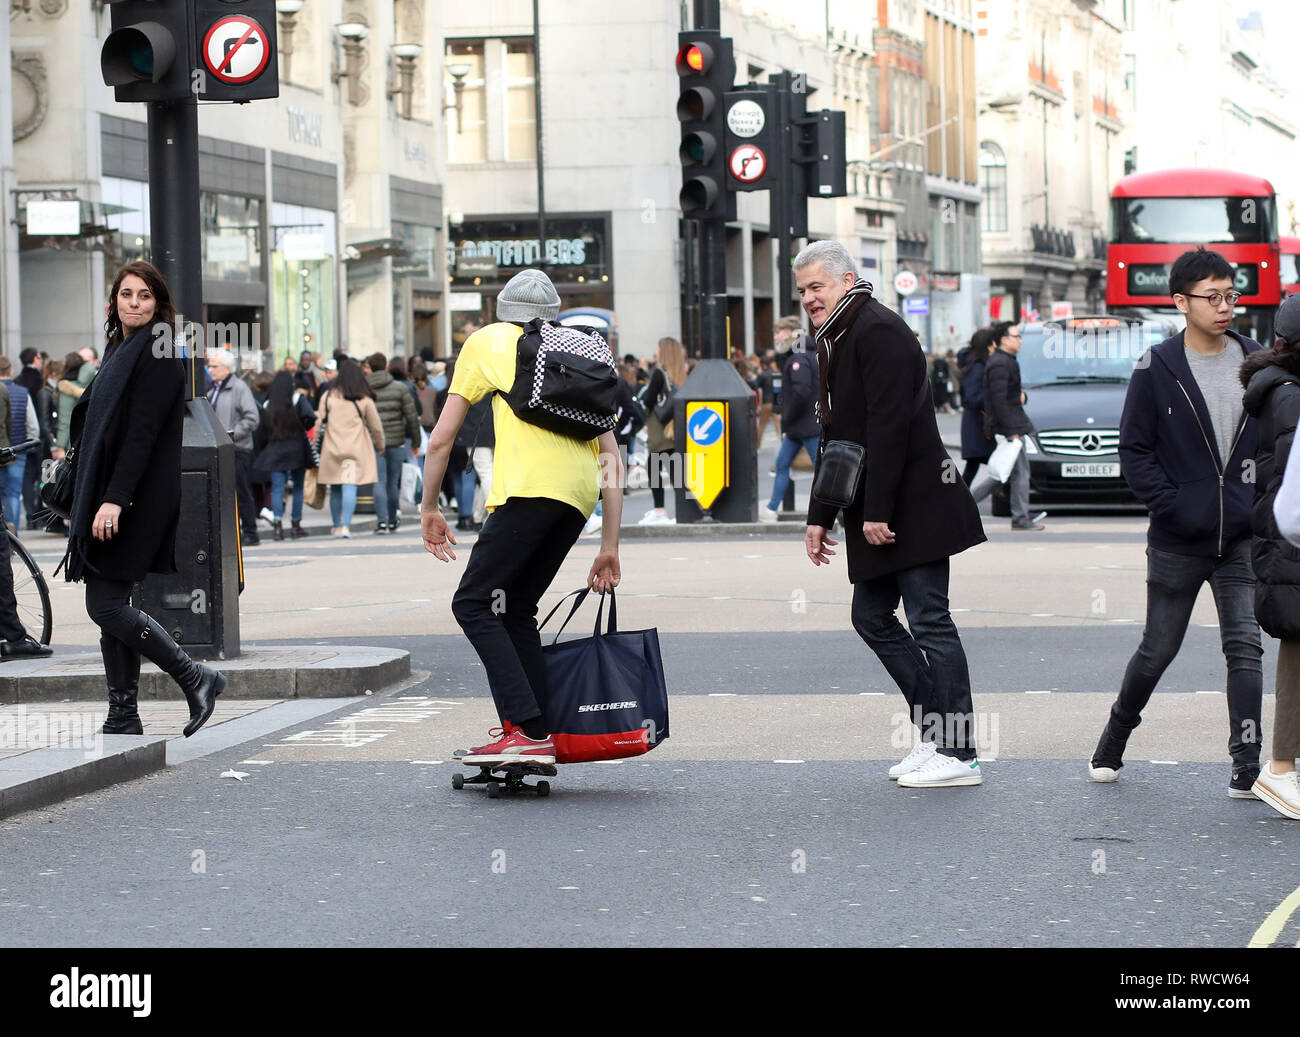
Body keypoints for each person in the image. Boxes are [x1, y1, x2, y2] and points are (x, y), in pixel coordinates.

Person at [799, 240, 987, 788]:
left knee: (930, 621)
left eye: (818, 286)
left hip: (911, 504)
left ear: (847, 279)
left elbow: (890, 426)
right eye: (803, 290)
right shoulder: (836, 332)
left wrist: (875, 510)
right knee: (872, 618)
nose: (810, 297)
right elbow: (837, 436)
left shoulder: (875, 328)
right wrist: (820, 514)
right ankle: (938, 732)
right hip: (877, 504)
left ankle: (960, 753)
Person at [420, 268, 622, 766]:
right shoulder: (579, 350)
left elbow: (443, 437)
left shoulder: (487, 341)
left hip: (527, 493)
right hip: (577, 498)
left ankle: (525, 732)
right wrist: (610, 544)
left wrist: (429, 507)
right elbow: (611, 455)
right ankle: (535, 730)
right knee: (512, 609)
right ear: (552, 316)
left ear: (502, 310)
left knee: (472, 604)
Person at [1088, 247, 1264, 797]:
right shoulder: (1157, 365)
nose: (1225, 306)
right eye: (1211, 297)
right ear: (1180, 302)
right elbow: (1135, 449)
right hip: (1177, 539)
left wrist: (1261, 505)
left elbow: (1279, 444)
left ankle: (1247, 763)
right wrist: (1173, 504)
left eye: (1231, 295)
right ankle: (1115, 737)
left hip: (1241, 537)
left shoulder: (1259, 361)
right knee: (1158, 648)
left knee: (1245, 645)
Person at [64, 261, 224, 737]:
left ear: (159, 305)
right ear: (114, 300)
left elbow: (141, 436)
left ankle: (196, 677)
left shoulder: (155, 355)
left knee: (106, 606)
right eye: (126, 294)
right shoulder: (121, 350)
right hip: (111, 496)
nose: (134, 303)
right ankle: (123, 714)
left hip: (130, 500)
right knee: (111, 603)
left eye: (144, 296)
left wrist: (113, 499)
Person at [1239, 295, 1300, 817]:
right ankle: (1279, 769)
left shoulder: (1280, 389)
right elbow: (1291, 487)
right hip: (1290, 541)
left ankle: (1281, 767)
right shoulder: (1289, 396)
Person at [970, 321, 1046, 530]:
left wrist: (1021, 396)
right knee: (1015, 473)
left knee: (1003, 473)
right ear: (1003, 340)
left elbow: (1008, 395)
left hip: (1013, 425)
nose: (1020, 341)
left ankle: (1019, 514)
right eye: (1016, 337)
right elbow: (998, 399)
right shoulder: (1000, 364)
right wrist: (1010, 430)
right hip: (1010, 428)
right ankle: (1020, 517)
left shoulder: (1005, 361)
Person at [317, 359, 384, 538]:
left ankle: (336, 525)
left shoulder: (328, 396)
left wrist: (315, 443)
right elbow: (376, 426)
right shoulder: (364, 398)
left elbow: (318, 422)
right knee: (349, 485)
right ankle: (346, 526)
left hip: (332, 447)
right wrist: (381, 444)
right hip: (355, 448)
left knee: (336, 487)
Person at [206, 346, 262, 546]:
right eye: (210, 366)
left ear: (227, 368)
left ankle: (250, 532)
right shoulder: (213, 390)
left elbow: (252, 418)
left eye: (214, 366)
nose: (210, 370)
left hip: (237, 449)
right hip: (221, 449)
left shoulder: (239, 388)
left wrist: (231, 435)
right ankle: (233, 533)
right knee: (224, 493)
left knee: (241, 491)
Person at [364, 352, 421, 534]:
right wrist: (416, 441)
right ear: (386, 366)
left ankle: (381, 522)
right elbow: (411, 416)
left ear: (370, 368)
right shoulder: (399, 388)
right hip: (397, 440)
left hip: (373, 441)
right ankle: (392, 519)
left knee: (379, 481)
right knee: (392, 481)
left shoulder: (365, 388)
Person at [256, 370, 316, 540]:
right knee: (297, 487)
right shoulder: (298, 399)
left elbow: (262, 431)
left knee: (277, 489)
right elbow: (310, 417)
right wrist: (302, 427)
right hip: (297, 447)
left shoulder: (268, 404)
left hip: (275, 448)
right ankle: (296, 525)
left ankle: (277, 527)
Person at [636, 337, 688, 526]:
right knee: (675, 470)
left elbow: (649, 399)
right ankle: (685, 510)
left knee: (654, 466)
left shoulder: (659, 372)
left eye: (658, 348)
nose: (656, 352)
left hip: (660, 426)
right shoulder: (682, 372)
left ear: (664, 351)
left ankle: (660, 511)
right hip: (674, 427)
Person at [0, 357, 39, 533]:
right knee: (13, 493)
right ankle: (13, 535)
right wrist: (30, 441)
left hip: (4, 446)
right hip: (17, 448)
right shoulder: (22, 393)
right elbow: (33, 425)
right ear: (10, 371)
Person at [956, 328, 995, 486]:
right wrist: (993, 395)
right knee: (1002, 467)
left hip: (978, 424)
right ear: (986, 345)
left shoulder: (976, 365)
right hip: (978, 425)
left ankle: (960, 503)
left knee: (974, 468)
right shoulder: (977, 368)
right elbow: (972, 398)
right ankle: (960, 503)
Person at [755, 349, 782, 449]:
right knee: (778, 424)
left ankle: (757, 445)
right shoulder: (776, 374)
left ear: (762, 364)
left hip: (766, 402)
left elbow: (756, 387)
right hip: (775, 402)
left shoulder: (762, 375)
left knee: (762, 425)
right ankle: (782, 442)